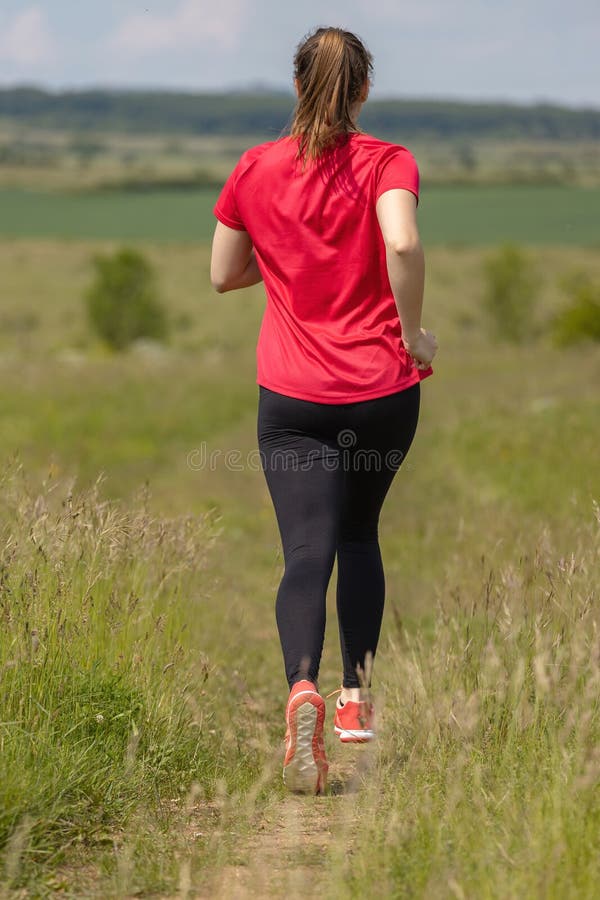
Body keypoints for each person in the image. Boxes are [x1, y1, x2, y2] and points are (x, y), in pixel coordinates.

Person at [210, 26, 438, 795]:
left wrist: (285, 265)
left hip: (293, 398)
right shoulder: (387, 161)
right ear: (364, 90)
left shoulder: (254, 167)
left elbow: (222, 274)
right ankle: (352, 699)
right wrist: (414, 334)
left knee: (307, 552)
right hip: (381, 390)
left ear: (298, 85)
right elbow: (401, 246)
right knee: (359, 535)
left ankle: (300, 685)